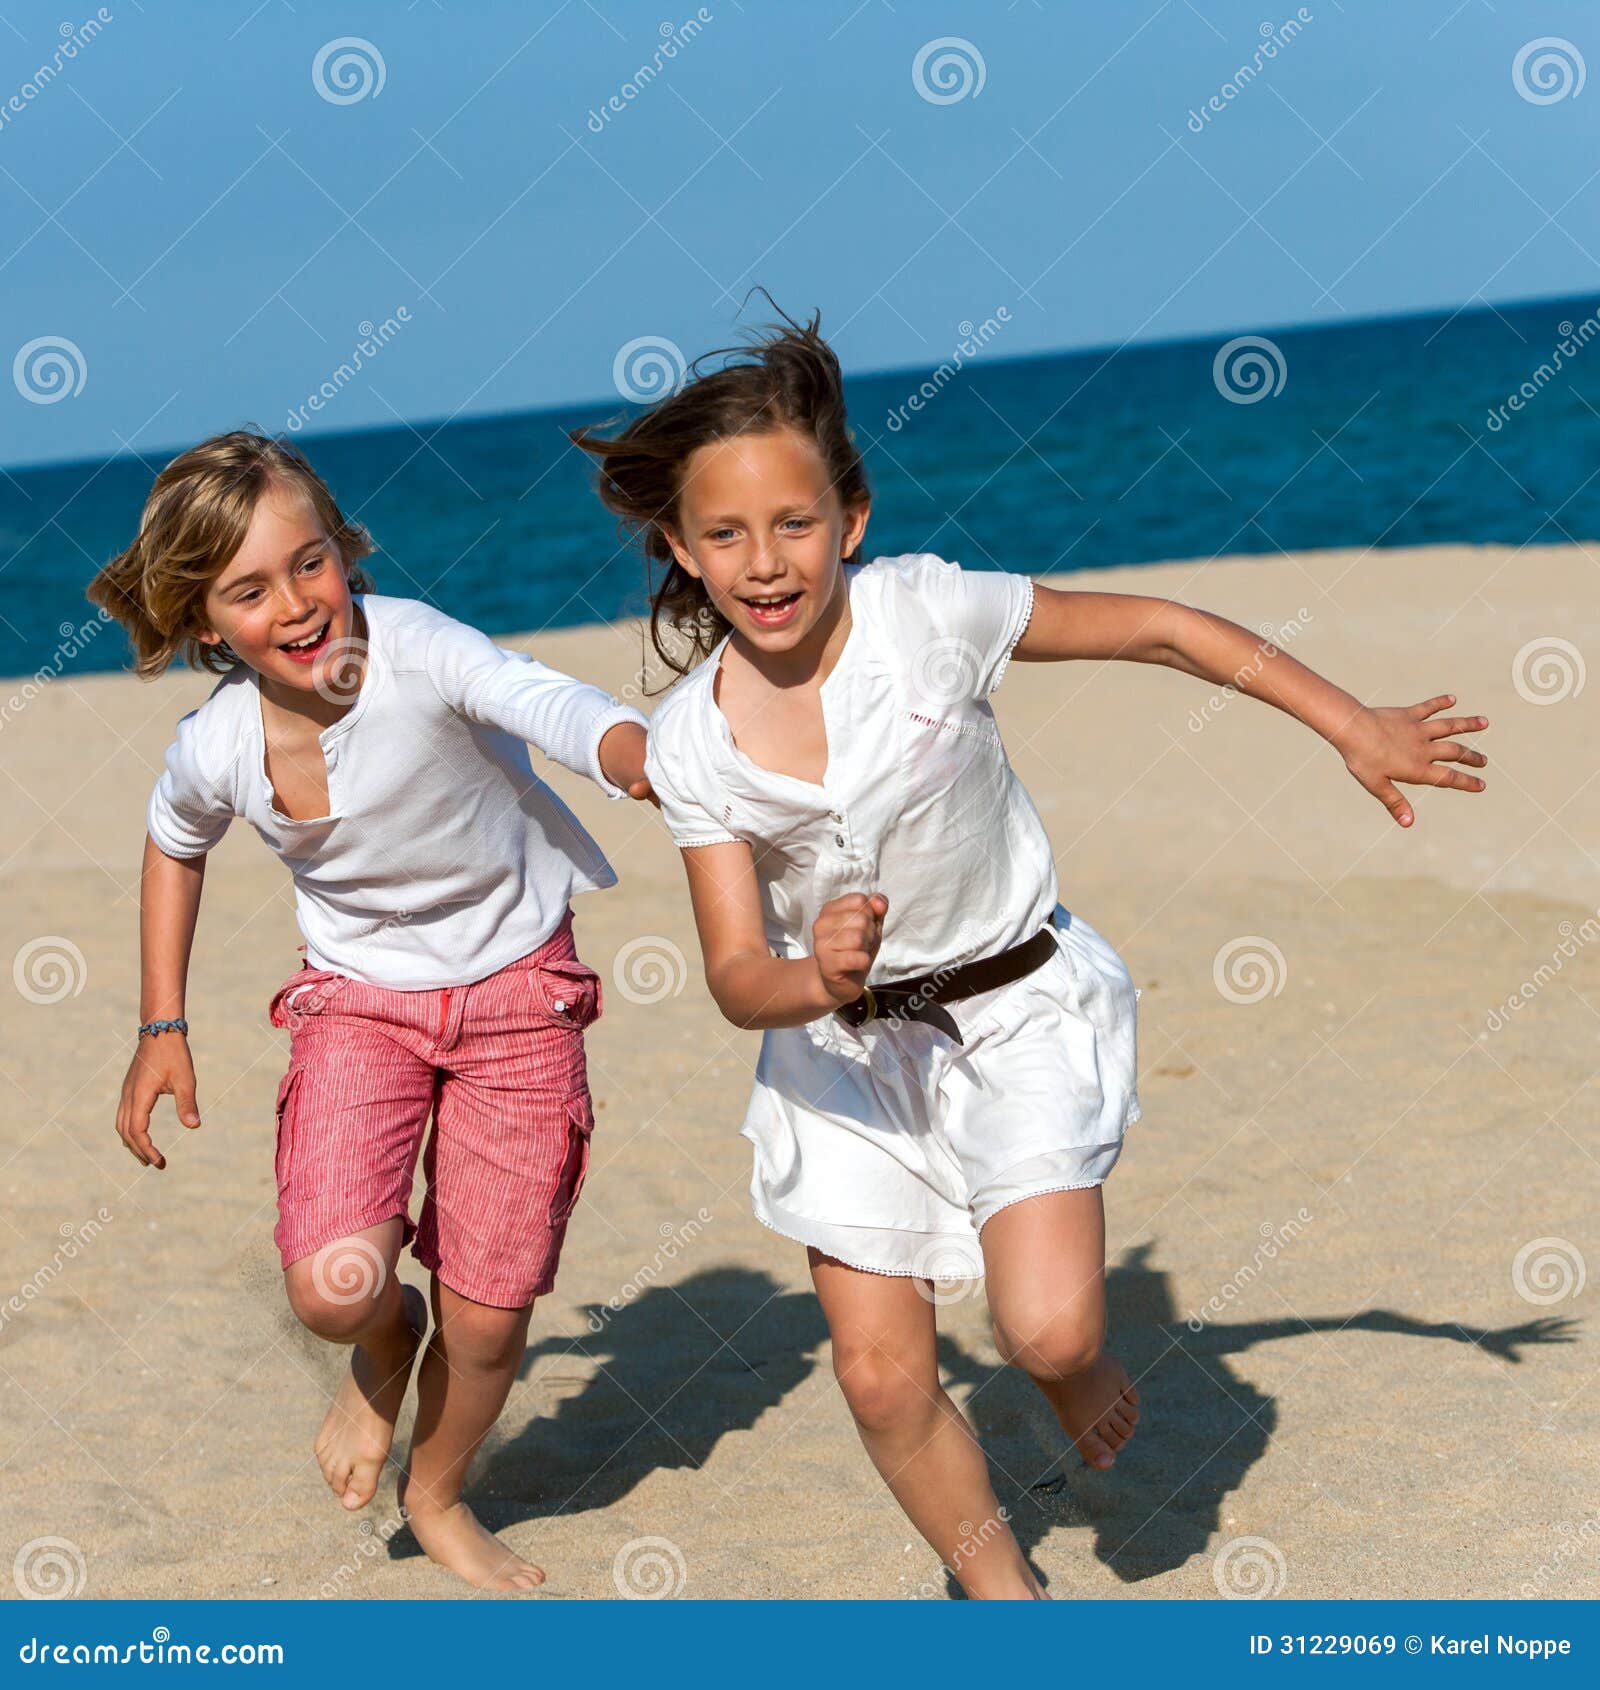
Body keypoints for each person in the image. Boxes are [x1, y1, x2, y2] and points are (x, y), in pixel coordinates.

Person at [572, 310, 1490, 1599]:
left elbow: (1162, 629)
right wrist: (819, 978)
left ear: (851, 518)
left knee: (1049, 1327)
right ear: (679, 547)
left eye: (792, 524)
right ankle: (1008, 1606)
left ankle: (1077, 1372)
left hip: (1016, 1011)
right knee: (882, 1374)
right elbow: (735, 976)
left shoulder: (927, 615)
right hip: (839, 1056)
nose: (763, 562)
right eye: (723, 534)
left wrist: (1348, 723)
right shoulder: (690, 744)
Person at [89, 430, 652, 1591]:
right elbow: (171, 843)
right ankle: (383, 1350)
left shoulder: (415, 651)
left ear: (346, 551)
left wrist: (623, 745)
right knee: (332, 1289)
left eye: (311, 563)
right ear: (204, 623)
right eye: (248, 590)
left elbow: (531, 692)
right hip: (357, 1006)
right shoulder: (217, 746)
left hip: (518, 999)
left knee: (490, 1322)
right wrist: (161, 1028)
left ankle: (437, 1491)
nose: (296, 605)